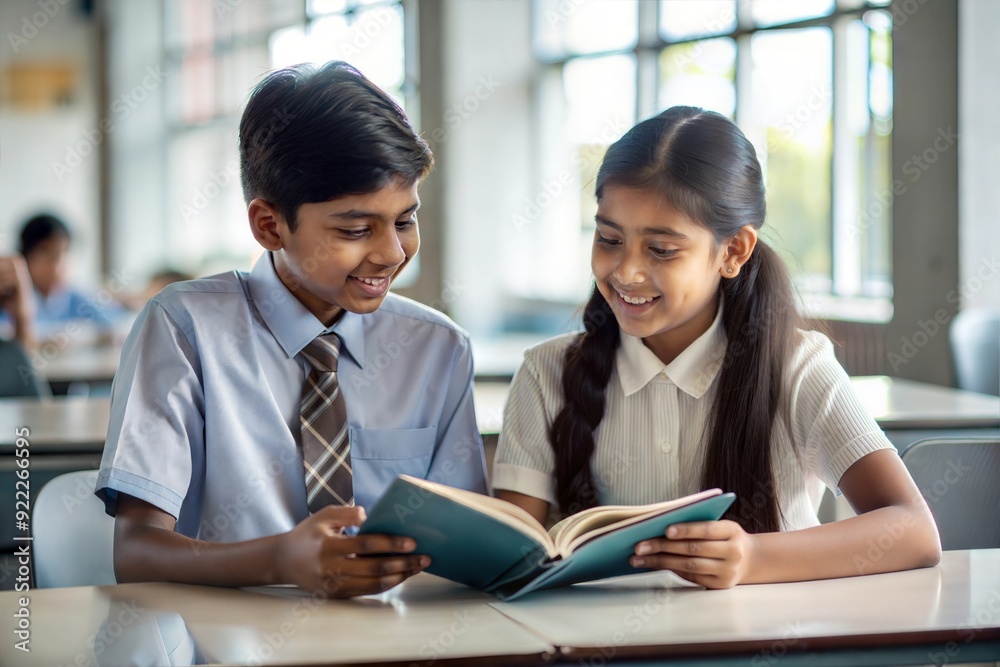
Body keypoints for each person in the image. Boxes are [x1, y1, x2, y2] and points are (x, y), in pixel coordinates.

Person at [493, 107, 941, 589]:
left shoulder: (796, 365)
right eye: (609, 239)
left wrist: (751, 558)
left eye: (661, 250)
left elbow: (913, 531)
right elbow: (511, 560)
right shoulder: (546, 372)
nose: (626, 272)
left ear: (732, 252)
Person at [96, 61, 488, 597]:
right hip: (224, 643)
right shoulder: (185, 329)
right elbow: (136, 552)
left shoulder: (437, 349)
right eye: (355, 229)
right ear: (269, 225)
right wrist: (280, 560)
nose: (392, 253)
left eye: (404, 221)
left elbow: (459, 549)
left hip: (395, 640)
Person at [13, 213, 121, 340]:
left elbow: (114, 327)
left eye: (64, 254)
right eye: (49, 257)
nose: (57, 267)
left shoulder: (76, 297)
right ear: (24, 258)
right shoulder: (13, 299)